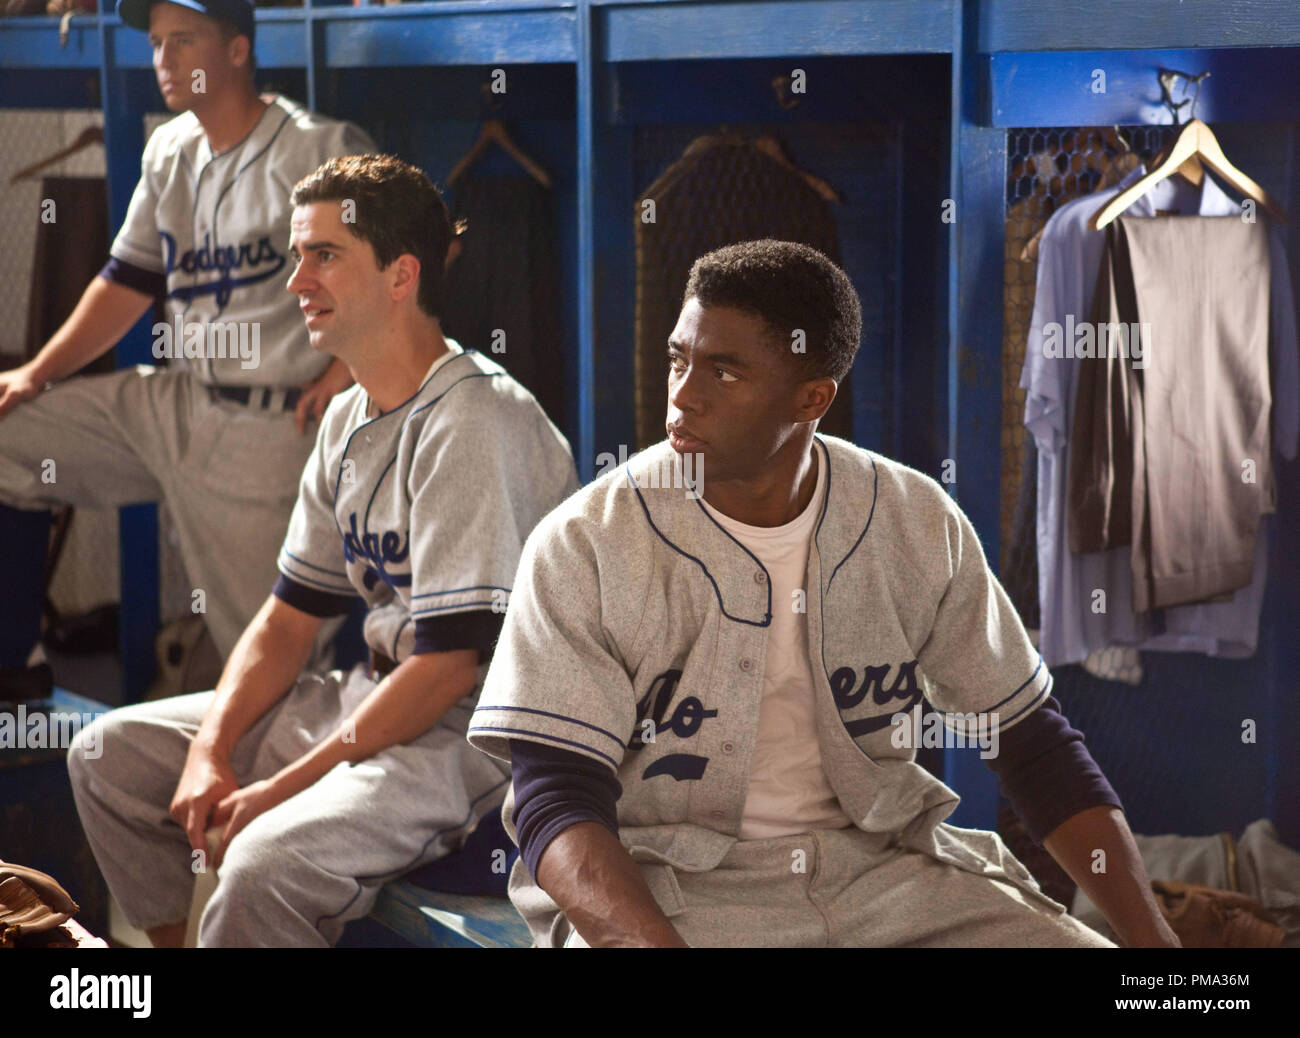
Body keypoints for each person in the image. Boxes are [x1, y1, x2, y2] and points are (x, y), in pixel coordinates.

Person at [467, 239, 1180, 948]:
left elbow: (1031, 746)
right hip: (674, 893)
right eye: (679, 360)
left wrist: (1159, 954)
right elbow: (554, 800)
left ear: (812, 398)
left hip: (886, 879)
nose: (683, 396)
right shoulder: (586, 543)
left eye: (725, 371)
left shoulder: (914, 517)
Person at [67, 153, 579, 947]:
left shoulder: (476, 422)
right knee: (107, 756)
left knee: (260, 867)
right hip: (366, 702)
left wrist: (277, 789)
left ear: (401, 275)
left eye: (325, 256)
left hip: (472, 741)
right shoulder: (347, 416)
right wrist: (210, 750)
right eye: (298, 255)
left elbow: (447, 669)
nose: (296, 280)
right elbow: (286, 620)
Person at [0, 0, 374, 695]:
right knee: (7, 437)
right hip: (171, 403)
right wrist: (32, 373)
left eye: (184, 40)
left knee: (269, 671)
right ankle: (8, 670)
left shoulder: (315, 148)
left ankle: (286, 793)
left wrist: (345, 366)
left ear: (237, 51)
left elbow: (402, 260)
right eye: (156, 43)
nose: (164, 60)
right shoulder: (169, 149)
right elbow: (127, 282)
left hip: (269, 427)